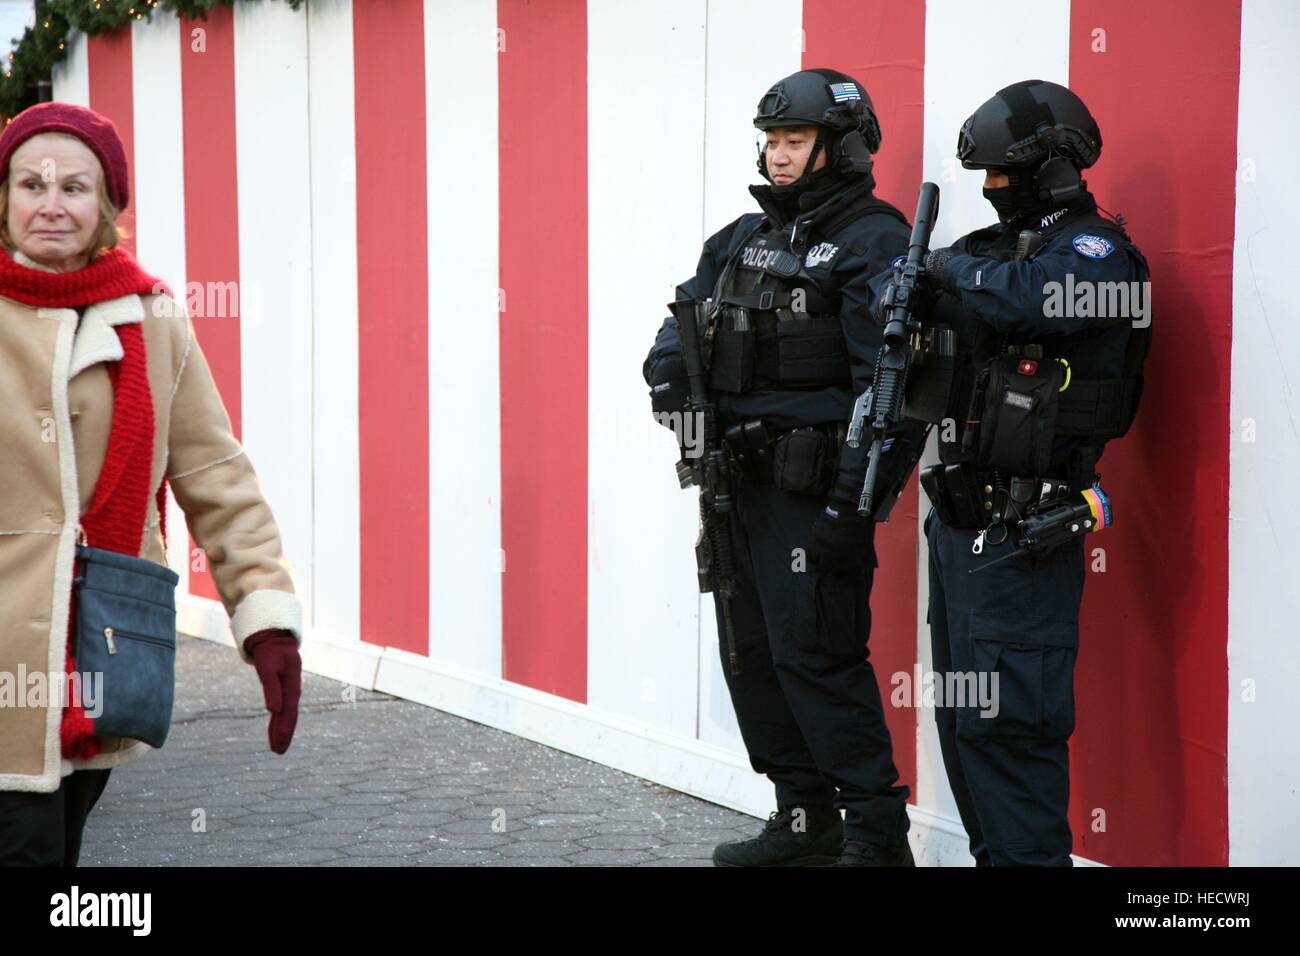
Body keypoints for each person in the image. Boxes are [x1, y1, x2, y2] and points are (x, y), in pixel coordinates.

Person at [0, 102, 303, 866]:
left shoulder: (155, 318)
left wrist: (264, 618)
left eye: (75, 186)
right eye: (31, 183)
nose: (52, 202)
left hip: (95, 662)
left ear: (107, 206)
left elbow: (215, 474)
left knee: (57, 845)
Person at [874, 79, 1151, 866]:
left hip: (1026, 534)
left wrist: (941, 275)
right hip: (959, 526)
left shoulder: (1097, 253)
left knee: (1010, 736)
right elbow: (922, 287)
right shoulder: (990, 253)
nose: (991, 190)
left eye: (1002, 173)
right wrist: (904, 286)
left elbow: (1040, 304)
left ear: (1051, 167)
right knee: (965, 731)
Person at [643, 69, 915, 866]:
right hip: (736, 488)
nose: (778, 155)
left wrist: (852, 503)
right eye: (771, 141)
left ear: (842, 145)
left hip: (815, 493)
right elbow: (677, 336)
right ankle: (804, 821)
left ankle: (875, 836)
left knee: (818, 656)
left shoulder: (876, 241)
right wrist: (676, 394)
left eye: (794, 141)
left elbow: (889, 386)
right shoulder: (738, 238)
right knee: (752, 653)